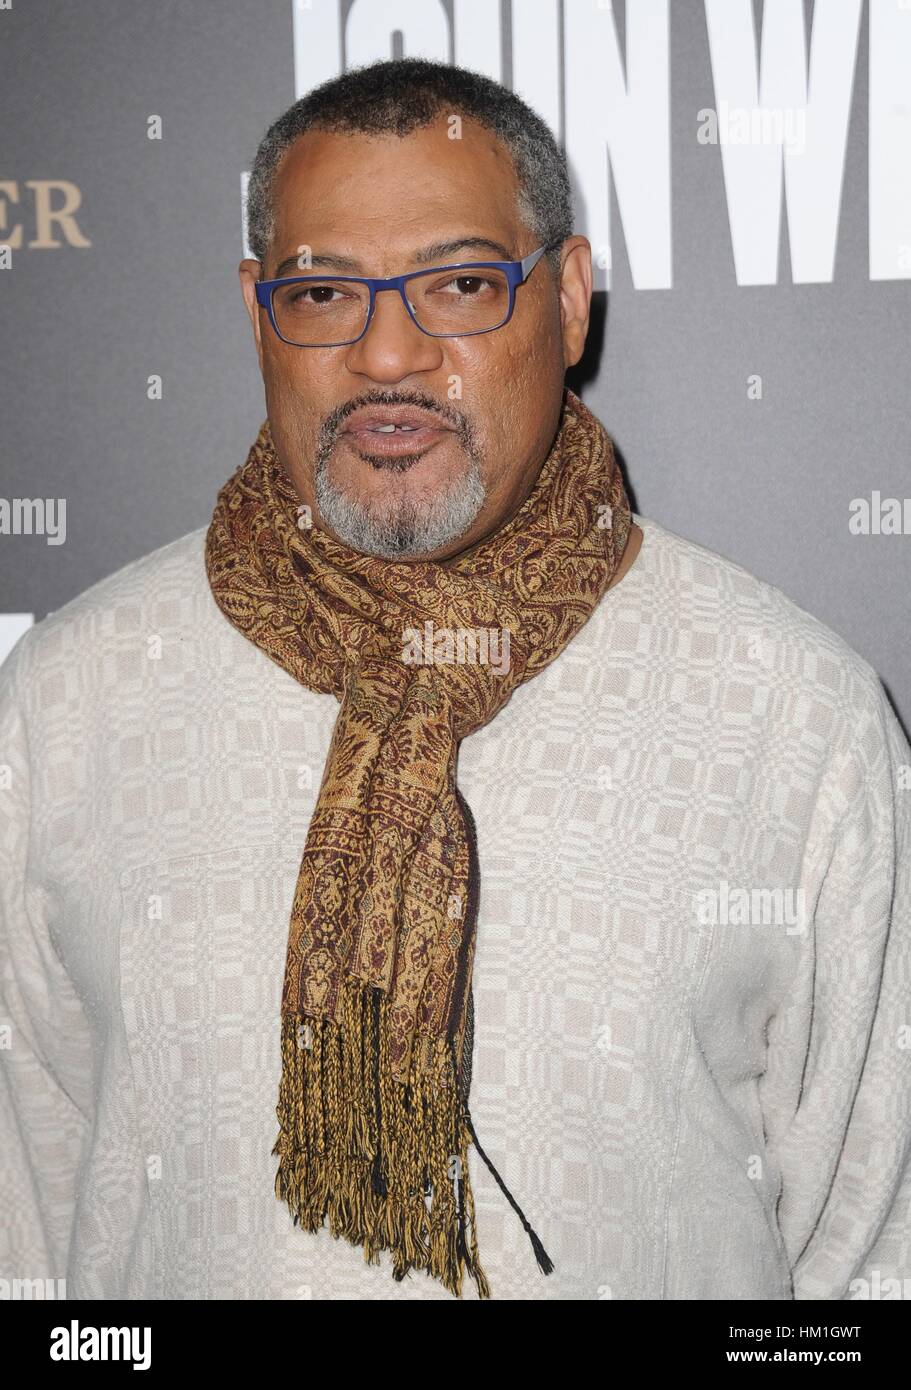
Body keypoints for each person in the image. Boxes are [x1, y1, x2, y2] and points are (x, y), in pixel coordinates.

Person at [1, 56, 908, 1302]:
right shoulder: (63, 706)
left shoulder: (795, 715)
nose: (386, 353)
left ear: (570, 301)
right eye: (322, 292)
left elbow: (874, 1255)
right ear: (256, 309)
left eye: (462, 284)